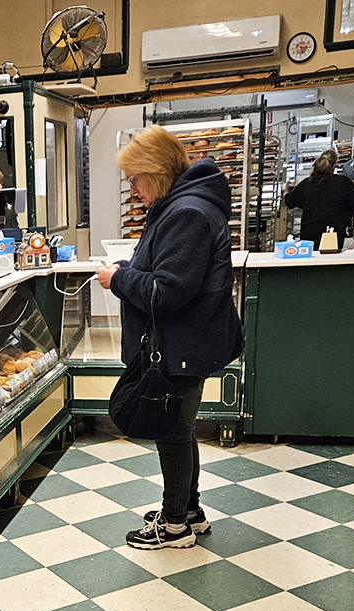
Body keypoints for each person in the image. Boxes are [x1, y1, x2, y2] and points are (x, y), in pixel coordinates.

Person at [96, 125, 242, 550]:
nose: (132, 187)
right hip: (185, 343)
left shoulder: (187, 212)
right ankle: (189, 510)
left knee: (172, 434)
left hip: (177, 345)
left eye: (135, 178)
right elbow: (168, 272)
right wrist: (131, 269)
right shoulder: (185, 204)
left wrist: (119, 279)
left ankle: (174, 524)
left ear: (156, 172)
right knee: (182, 428)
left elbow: (167, 291)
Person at [284, 153, 354, 251]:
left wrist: (286, 191)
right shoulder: (343, 182)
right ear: (334, 166)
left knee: (310, 259)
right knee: (331, 259)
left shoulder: (306, 184)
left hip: (309, 232)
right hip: (334, 232)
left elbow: (290, 202)